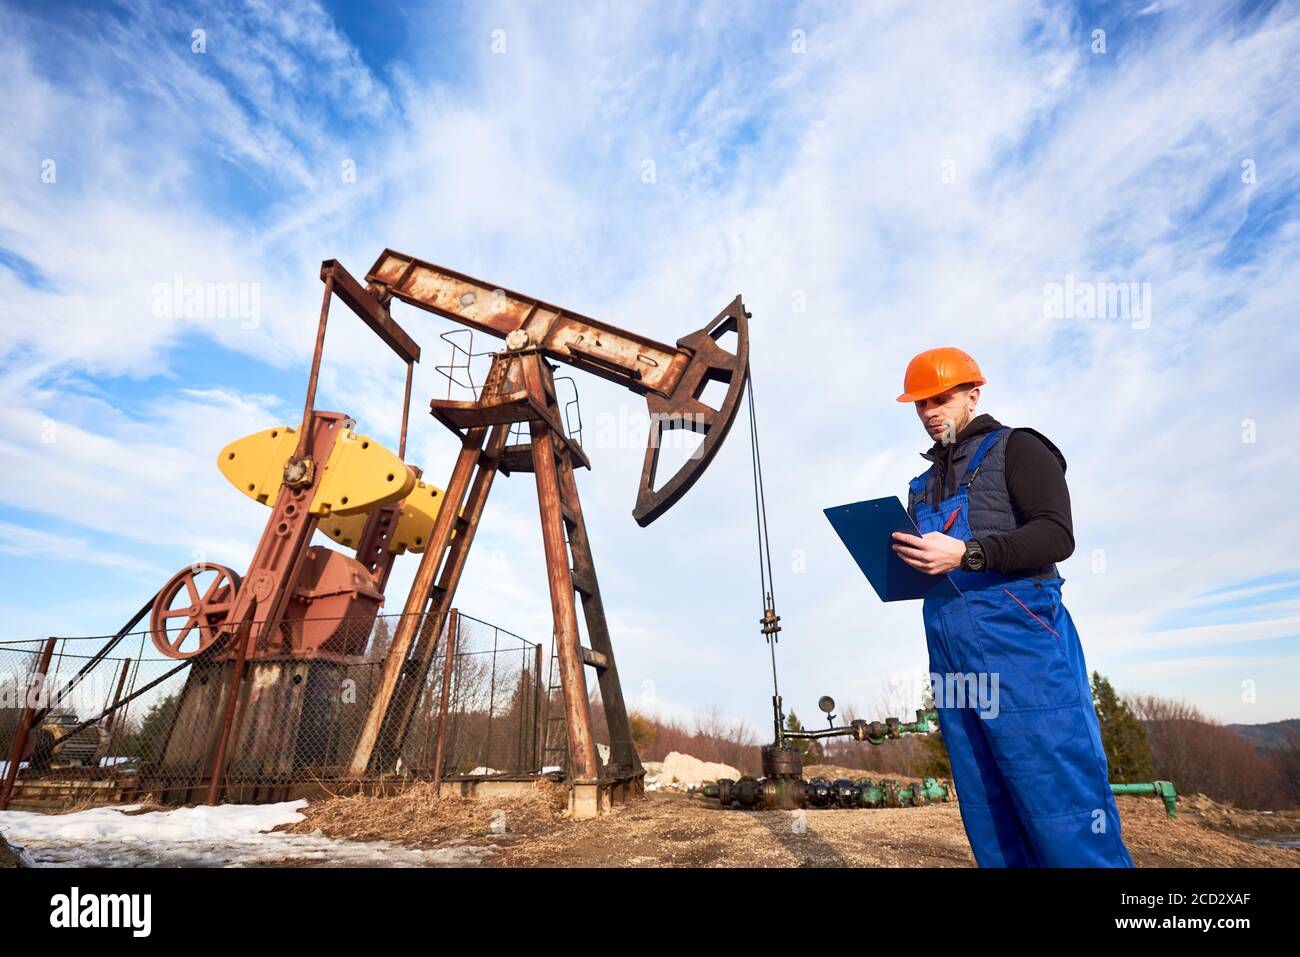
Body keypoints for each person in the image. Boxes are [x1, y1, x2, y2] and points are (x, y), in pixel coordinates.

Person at [889, 346, 1133, 867]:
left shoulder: (1018, 449)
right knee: (986, 800)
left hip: (1022, 644)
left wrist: (969, 553)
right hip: (952, 647)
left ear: (973, 394)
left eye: (942, 398)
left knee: (1058, 792)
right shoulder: (921, 485)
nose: (931, 412)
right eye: (920, 404)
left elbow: (1056, 534)